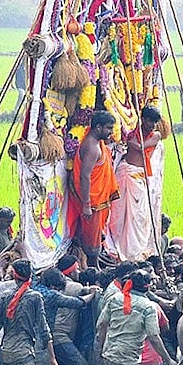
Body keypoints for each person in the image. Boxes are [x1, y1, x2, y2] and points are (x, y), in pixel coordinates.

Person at [97, 269, 176, 365]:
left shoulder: (115, 298)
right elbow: (154, 336)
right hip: (127, 359)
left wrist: (100, 348)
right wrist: (169, 360)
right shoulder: (148, 306)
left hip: (109, 355)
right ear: (148, 286)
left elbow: (101, 324)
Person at [109, 105, 165, 261]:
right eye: (149, 121)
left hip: (138, 176)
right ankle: (118, 247)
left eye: (154, 122)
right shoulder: (132, 131)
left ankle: (134, 251)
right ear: (143, 119)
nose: (152, 126)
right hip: (125, 172)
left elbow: (139, 147)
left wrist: (130, 137)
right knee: (119, 214)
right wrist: (130, 136)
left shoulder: (155, 136)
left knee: (138, 216)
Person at [70, 111, 120, 267]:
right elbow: (85, 177)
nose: (111, 132)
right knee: (91, 236)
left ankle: (92, 264)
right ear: (98, 127)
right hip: (92, 201)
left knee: (96, 234)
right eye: (109, 128)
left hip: (97, 200)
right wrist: (86, 204)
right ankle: (93, 267)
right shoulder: (92, 148)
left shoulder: (98, 142)